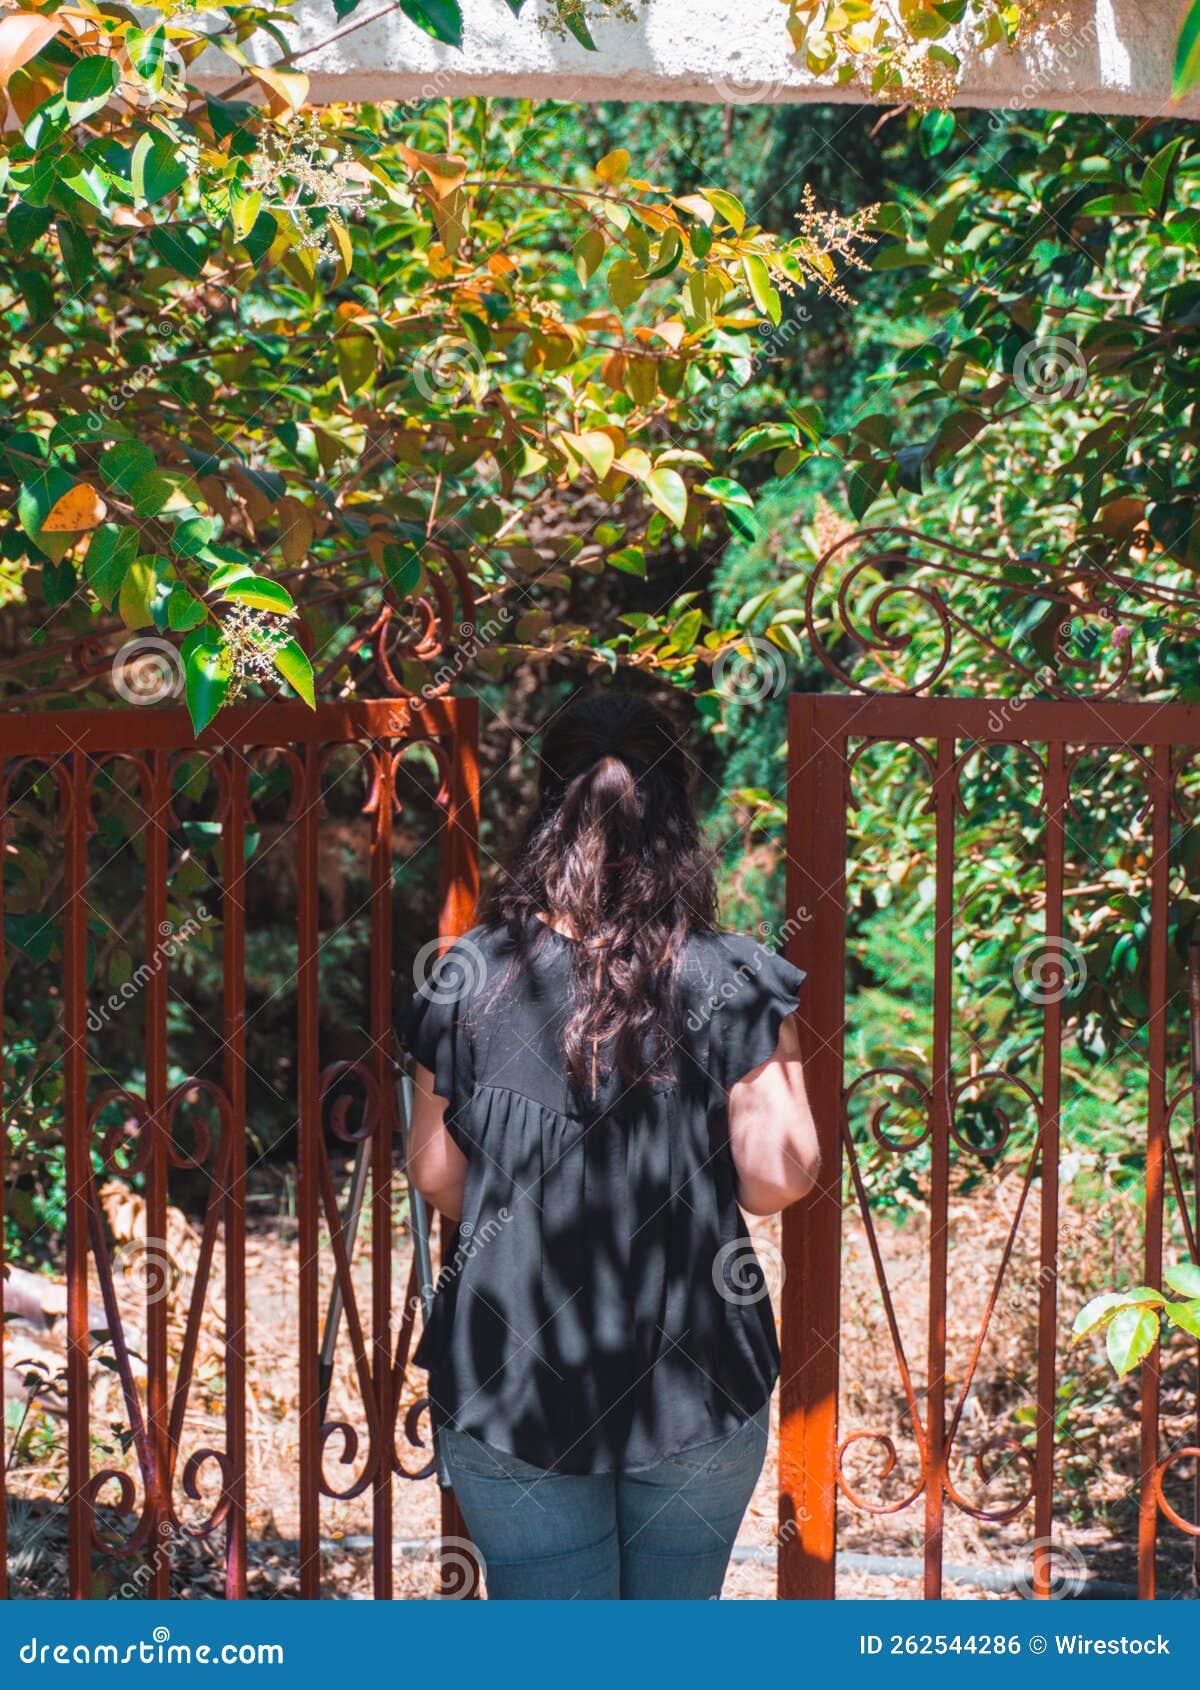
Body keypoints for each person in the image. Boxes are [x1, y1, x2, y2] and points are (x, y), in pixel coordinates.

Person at [404, 690, 819, 1600]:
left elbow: (438, 1177)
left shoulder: (467, 975)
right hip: (698, 1382)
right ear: (678, 816)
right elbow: (777, 1176)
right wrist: (771, 1045)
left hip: (509, 1387)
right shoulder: (733, 975)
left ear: (545, 810)